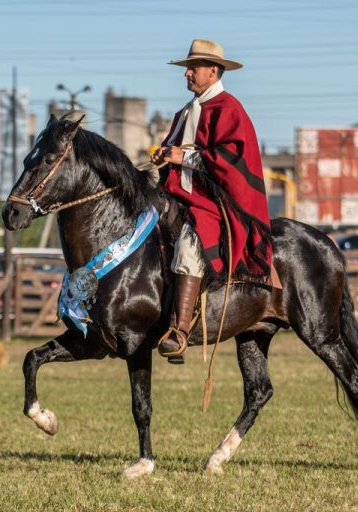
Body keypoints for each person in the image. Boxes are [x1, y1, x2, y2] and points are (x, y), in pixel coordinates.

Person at [149, 39, 271, 361]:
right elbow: (176, 153)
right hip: (180, 197)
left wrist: (182, 157)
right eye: (187, 68)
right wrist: (164, 156)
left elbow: (230, 161)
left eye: (193, 68)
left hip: (216, 203)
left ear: (213, 71)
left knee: (189, 244)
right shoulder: (185, 112)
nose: (186, 74)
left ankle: (179, 331)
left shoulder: (230, 109)